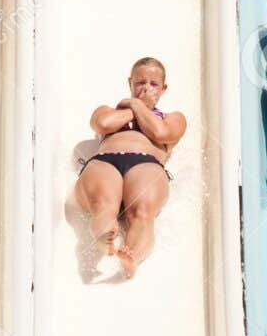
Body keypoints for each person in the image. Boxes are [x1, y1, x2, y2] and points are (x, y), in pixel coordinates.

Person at [75, 57, 187, 280]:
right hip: (106, 160)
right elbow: (103, 125)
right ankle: (103, 237)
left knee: (142, 212)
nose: (146, 88)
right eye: (140, 82)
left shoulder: (173, 118)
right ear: (130, 83)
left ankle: (131, 258)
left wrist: (138, 105)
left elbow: (160, 133)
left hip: (146, 164)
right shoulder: (108, 110)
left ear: (163, 88)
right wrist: (139, 106)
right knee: (103, 205)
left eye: (153, 84)